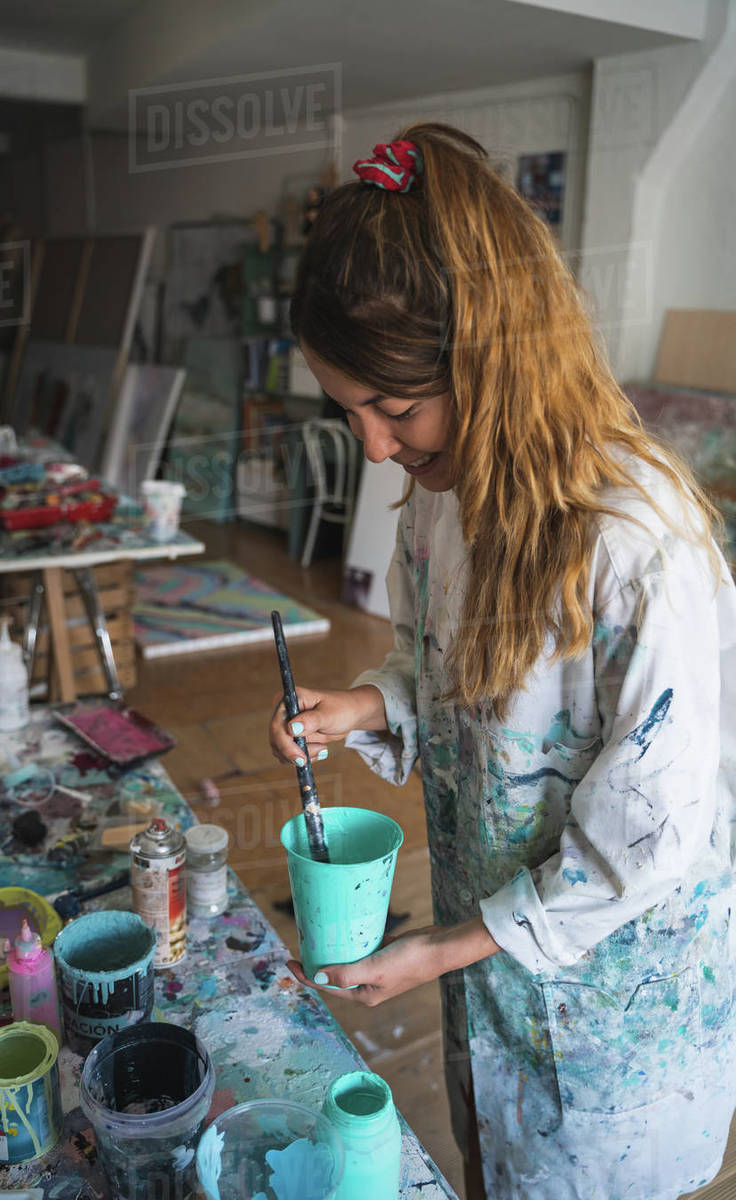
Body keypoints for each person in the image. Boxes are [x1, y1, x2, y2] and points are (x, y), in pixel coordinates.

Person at [268, 122, 736, 1200]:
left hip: (617, 994)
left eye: (392, 408)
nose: (376, 449)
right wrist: (373, 703)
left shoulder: (632, 543)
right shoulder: (446, 501)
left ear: (493, 358)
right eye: (350, 415)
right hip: (488, 950)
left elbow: (643, 836)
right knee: (494, 1161)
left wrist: (437, 949)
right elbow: (448, 671)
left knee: (576, 1176)